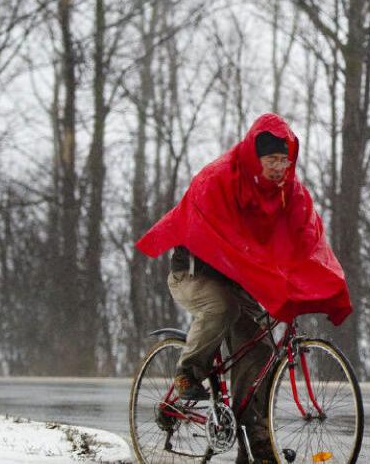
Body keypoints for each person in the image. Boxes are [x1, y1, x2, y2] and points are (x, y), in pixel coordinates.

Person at [135, 113, 351, 464]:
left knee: (259, 351)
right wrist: (261, 273)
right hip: (194, 271)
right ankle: (187, 374)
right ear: (255, 157)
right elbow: (213, 232)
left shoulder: (288, 193)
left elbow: (307, 238)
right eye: (272, 159)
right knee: (222, 308)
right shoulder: (220, 178)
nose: (280, 167)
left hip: (238, 276)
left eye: (285, 159)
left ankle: (255, 449)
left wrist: (321, 281)